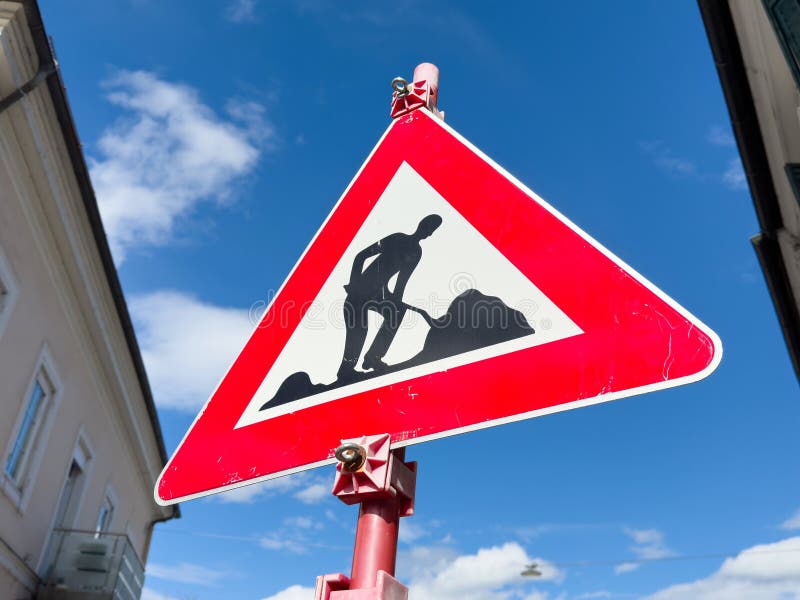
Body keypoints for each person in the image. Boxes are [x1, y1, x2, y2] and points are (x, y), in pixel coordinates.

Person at [336, 214, 443, 380]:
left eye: (433, 231)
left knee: (397, 312)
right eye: (429, 228)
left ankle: (374, 357)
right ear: (422, 224)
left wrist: (396, 302)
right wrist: (354, 286)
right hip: (359, 293)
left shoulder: (416, 253)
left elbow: (401, 284)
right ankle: (345, 370)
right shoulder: (397, 238)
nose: (429, 233)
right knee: (359, 332)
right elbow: (360, 256)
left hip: (377, 295)